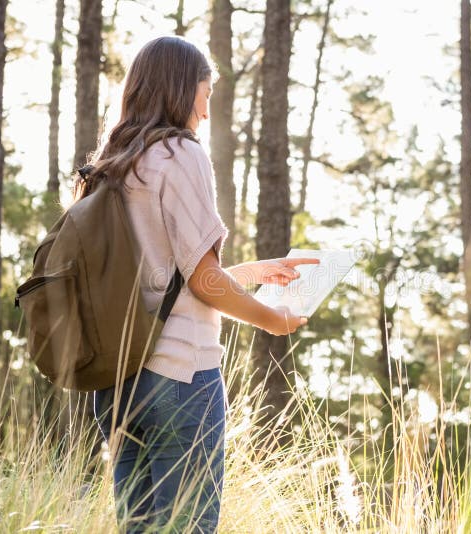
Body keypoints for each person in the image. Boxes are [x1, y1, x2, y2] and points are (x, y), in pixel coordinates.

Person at [75, 36, 319, 532]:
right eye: (204, 96)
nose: (205, 114)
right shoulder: (180, 153)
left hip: (118, 385)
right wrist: (272, 319)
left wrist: (254, 273)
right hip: (180, 378)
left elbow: (169, 278)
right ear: (181, 89)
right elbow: (204, 281)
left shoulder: (113, 164)